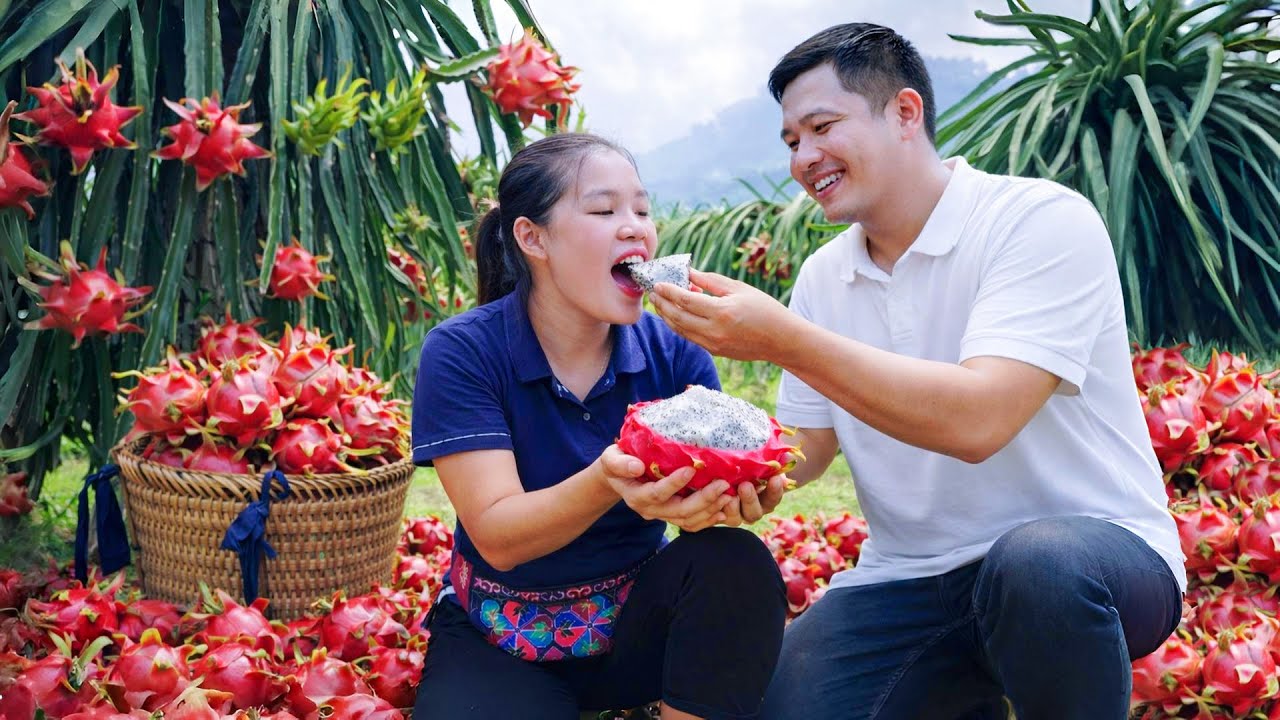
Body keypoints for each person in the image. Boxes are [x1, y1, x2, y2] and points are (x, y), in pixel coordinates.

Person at [647, 23, 1186, 720]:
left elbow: (979, 420)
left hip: (1091, 558)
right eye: (790, 142)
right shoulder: (824, 277)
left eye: (821, 127)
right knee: (785, 707)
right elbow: (803, 452)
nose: (804, 158)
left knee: (1038, 566)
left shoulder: (1039, 221)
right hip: (912, 579)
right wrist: (716, 478)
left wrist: (783, 339)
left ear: (905, 113)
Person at [409, 132, 787, 720]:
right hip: (502, 639)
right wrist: (607, 477)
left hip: (636, 628)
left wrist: (731, 495)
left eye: (641, 208)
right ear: (533, 238)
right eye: (604, 209)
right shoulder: (463, 351)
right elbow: (499, 537)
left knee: (736, 562)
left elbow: (701, 503)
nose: (636, 226)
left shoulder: (675, 355)